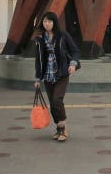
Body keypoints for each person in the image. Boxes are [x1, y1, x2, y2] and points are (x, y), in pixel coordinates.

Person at [34, 12, 80, 142]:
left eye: (49, 21)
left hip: (61, 74)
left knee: (56, 100)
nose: (47, 24)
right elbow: (38, 60)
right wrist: (38, 78)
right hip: (47, 75)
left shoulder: (63, 36)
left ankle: (63, 127)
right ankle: (58, 129)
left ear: (54, 22)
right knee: (53, 104)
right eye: (44, 21)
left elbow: (75, 50)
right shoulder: (40, 39)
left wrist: (73, 64)